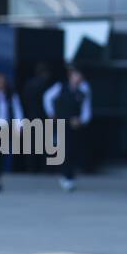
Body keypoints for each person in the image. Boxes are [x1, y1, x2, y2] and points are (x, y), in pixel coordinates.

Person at [43, 64, 91, 192]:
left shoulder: (84, 90)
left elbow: (86, 109)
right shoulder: (61, 86)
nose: (78, 78)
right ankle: (66, 175)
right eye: (76, 75)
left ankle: (70, 175)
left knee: (73, 150)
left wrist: (81, 120)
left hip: (74, 124)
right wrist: (51, 113)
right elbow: (47, 97)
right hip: (62, 121)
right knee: (64, 150)